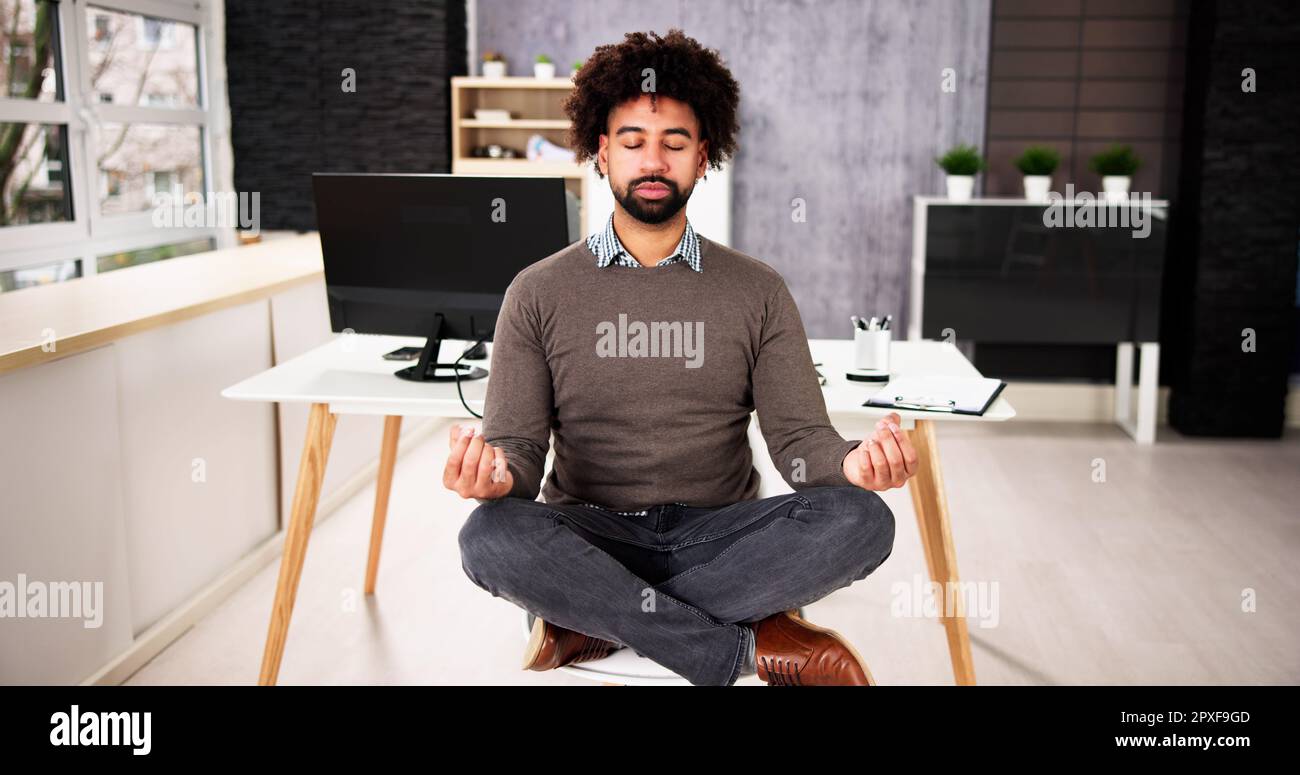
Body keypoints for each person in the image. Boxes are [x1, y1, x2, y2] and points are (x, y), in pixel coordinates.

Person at [446, 29, 917, 686]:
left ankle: (589, 616)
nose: (653, 160)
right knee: (487, 536)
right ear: (603, 155)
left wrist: (851, 462)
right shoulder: (537, 291)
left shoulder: (757, 288)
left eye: (674, 143)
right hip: (591, 530)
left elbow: (803, 444)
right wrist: (495, 478)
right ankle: (748, 642)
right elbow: (519, 458)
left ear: (703, 157)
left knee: (863, 519)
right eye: (633, 142)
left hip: (723, 532)